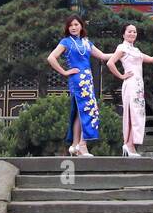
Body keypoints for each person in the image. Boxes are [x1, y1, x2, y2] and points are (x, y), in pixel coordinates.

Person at [46, 14, 114, 158]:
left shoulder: (86, 42)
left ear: (81, 26)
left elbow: (102, 55)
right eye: (71, 25)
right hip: (77, 80)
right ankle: (83, 145)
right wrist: (64, 72)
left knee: (79, 111)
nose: (74, 27)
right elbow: (51, 58)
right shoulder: (66, 42)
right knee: (90, 109)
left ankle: (75, 145)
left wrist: (120, 53)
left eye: (76, 24)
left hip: (87, 79)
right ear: (67, 28)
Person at [106, 23, 153, 158]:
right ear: (123, 34)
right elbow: (110, 63)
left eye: (134, 32)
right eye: (129, 31)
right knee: (131, 114)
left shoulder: (136, 50)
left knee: (137, 115)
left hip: (138, 85)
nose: (132, 34)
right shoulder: (122, 47)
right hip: (130, 84)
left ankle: (131, 145)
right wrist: (121, 76)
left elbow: (151, 59)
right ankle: (128, 145)